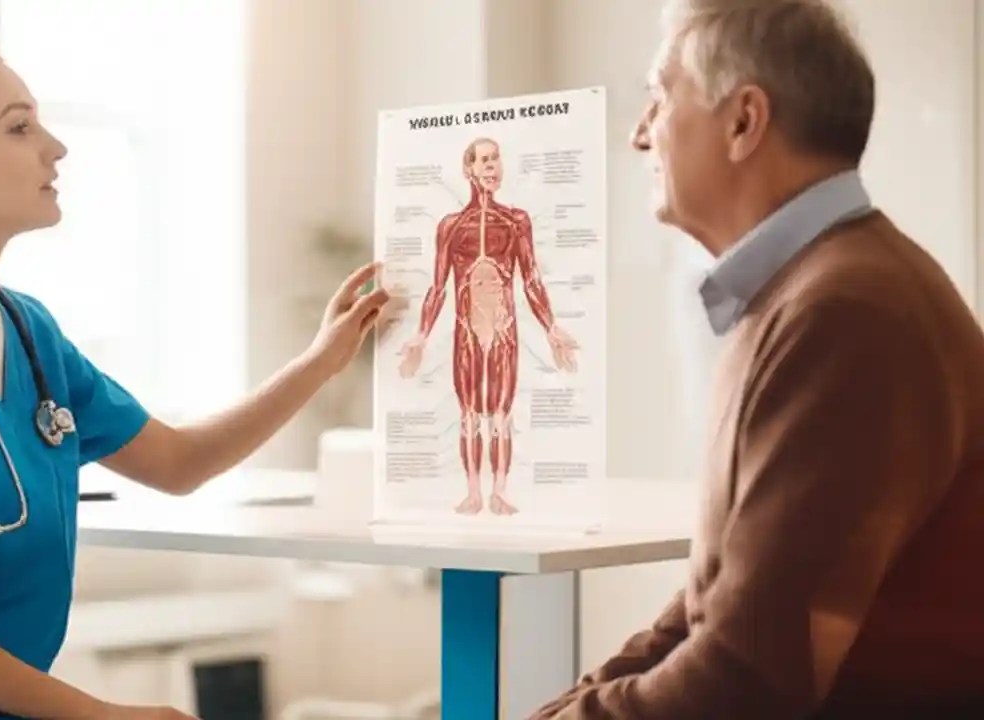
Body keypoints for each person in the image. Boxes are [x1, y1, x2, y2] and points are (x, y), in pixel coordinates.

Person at [0, 40, 390, 720]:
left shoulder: (30, 334)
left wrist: (322, 361)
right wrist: (102, 714)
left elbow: (178, 462)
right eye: (19, 126)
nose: (54, 148)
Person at [528, 0, 984, 718]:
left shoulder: (842, 313)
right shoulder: (819, 290)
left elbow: (748, 676)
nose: (639, 134)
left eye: (658, 97)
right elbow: (726, 602)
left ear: (743, 121)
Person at [396, 137, 578, 516]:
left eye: (497, 159)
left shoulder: (516, 221)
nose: (493, 166)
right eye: (485, 160)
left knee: (499, 415)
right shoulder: (451, 226)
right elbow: (438, 286)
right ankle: (473, 493)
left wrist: (551, 328)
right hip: (466, 330)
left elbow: (531, 280)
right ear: (469, 169)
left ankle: (499, 492)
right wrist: (421, 335)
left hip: (503, 330)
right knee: (468, 416)